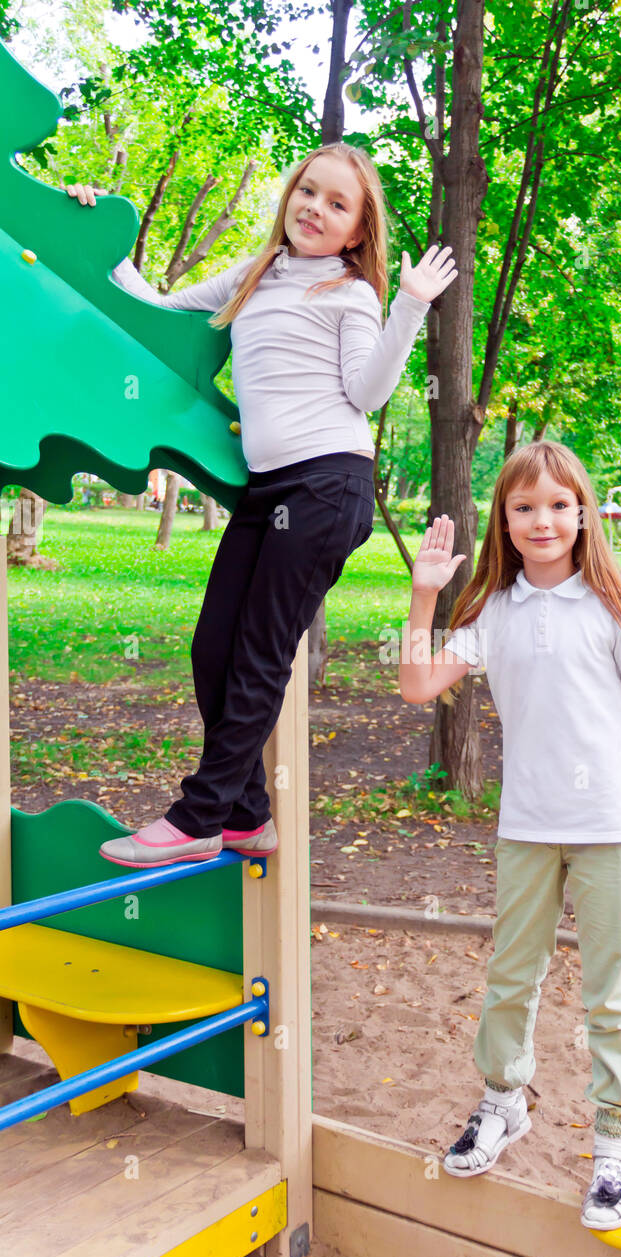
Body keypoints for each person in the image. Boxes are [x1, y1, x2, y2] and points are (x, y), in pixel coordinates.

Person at [62, 143, 457, 868]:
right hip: (267, 489)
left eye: (338, 204)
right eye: (309, 191)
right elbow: (156, 311)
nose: (315, 209)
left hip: (325, 485)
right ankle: (245, 815)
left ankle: (199, 814)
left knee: (259, 658)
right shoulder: (257, 274)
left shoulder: (349, 293)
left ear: (358, 232)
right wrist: (99, 241)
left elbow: (366, 394)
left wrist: (409, 306)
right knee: (212, 648)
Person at [399, 440, 621, 1230]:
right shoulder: (492, 611)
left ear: (583, 513)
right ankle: (503, 1103)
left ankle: (614, 1148)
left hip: (611, 829)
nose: (543, 520)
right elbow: (418, 684)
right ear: (505, 519)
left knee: (612, 992)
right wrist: (425, 598)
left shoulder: (615, 604)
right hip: (526, 828)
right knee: (511, 976)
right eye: (524, 507)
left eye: (559, 504)